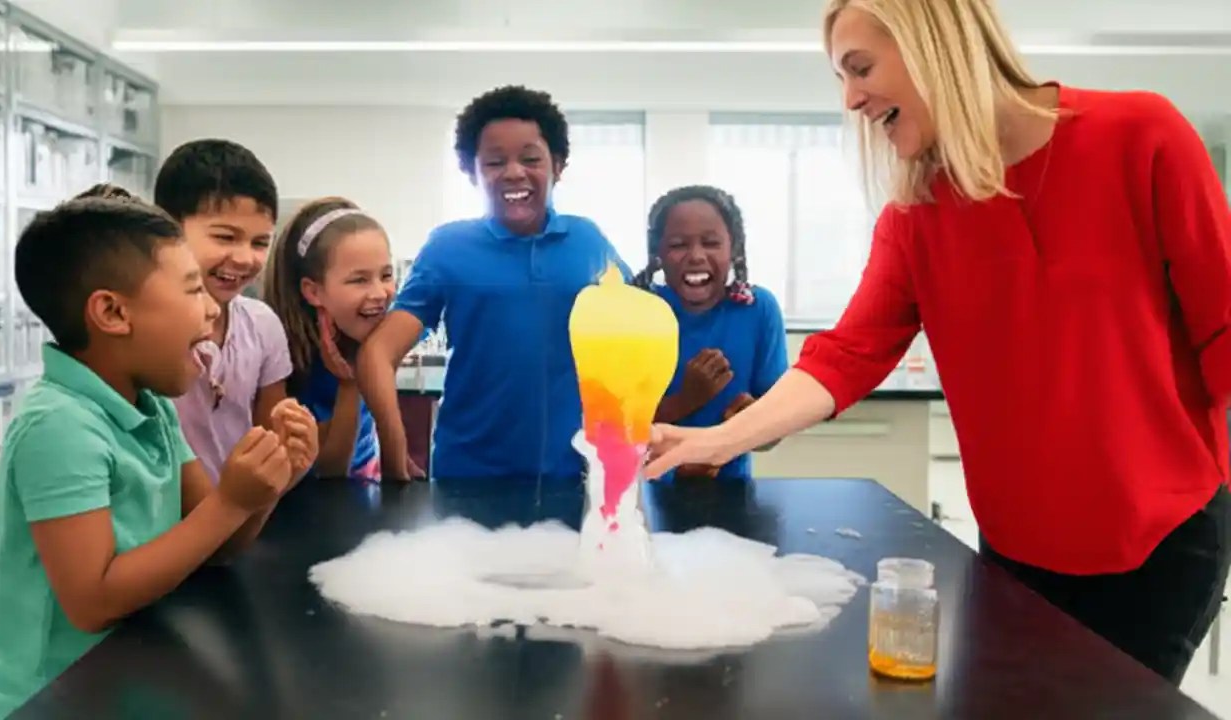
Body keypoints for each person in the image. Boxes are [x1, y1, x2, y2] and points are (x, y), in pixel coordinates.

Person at [646, 0, 1231, 684]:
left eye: (860, 69)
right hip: (1017, 548)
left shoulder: (1140, 136)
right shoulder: (917, 213)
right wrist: (715, 440)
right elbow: (846, 354)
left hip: (1160, 543)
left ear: (931, 41)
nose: (852, 99)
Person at [0, 188, 319, 720]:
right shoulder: (59, 424)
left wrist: (267, 484)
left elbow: (214, 542)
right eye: (193, 289)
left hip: (126, 678)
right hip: (42, 700)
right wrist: (229, 504)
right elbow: (93, 602)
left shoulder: (151, 405)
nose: (210, 309)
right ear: (112, 312)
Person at [356, 85, 631, 482]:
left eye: (531, 158)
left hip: (574, 477)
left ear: (558, 164)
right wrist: (393, 449)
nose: (514, 172)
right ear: (471, 171)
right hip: (467, 478)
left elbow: (646, 320)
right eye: (495, 162)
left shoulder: (589, 241)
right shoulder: (448, 247)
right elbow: (378, 354)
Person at [154, 139, 295, 485]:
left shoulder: (262, 326)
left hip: (243, 519)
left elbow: (268, 440)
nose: (246, 258)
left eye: (260, 242)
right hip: (164, 523)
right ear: (169, 228)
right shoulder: (148, 332)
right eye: (225, 237)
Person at [632, 185, 787, 480]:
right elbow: (620, 427)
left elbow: (774, 433)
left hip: (732, 493)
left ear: (734, 250)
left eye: (711, 242)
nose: (696, 256)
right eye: (678, 244)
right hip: (649, 490)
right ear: (658, 254)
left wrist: (753, 425)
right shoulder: (639, 312)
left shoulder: (758, 309)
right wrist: (687, 399)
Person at [264, 197, 414, 480]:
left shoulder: (366, 336)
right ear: (313, 292)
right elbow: (329, 473)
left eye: (386, 275)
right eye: (359, 280)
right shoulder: (292, 359)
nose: (381, 293)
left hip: (366, 483)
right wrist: (349, 384)